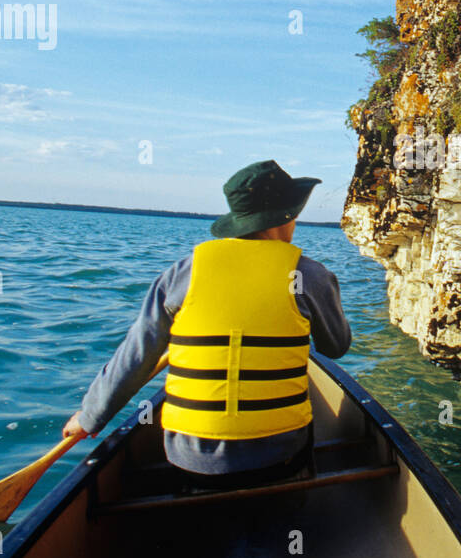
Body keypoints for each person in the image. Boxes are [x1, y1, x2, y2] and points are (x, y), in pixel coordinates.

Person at [63, 160, 351, 489]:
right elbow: (336, 347)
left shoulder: (180, 274)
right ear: (285, 218)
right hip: (280, 455)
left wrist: (89, 418)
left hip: (188, 458)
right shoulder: (310, 275)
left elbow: (135, 357)